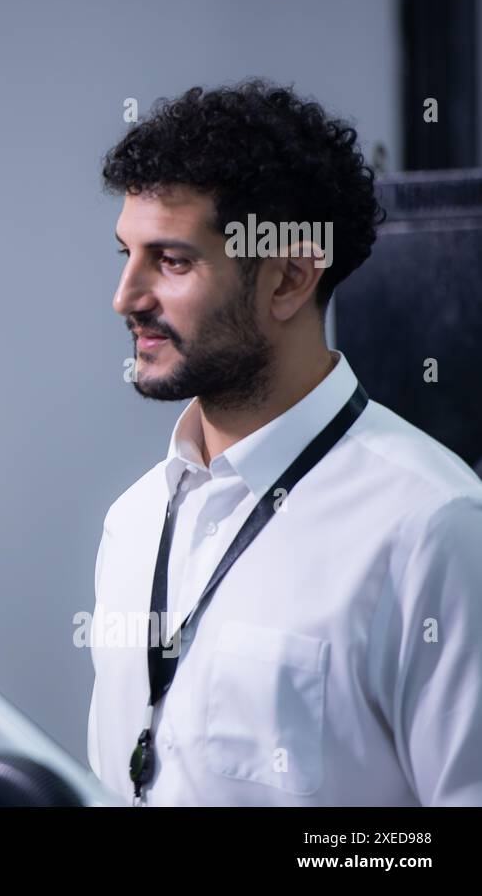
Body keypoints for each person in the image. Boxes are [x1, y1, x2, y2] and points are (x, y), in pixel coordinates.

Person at [89, 80, 482, 805]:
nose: (126, 297)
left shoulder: (434, 529)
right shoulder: (133, 521)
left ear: (290, 278)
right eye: (127, 253)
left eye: (171, 261)